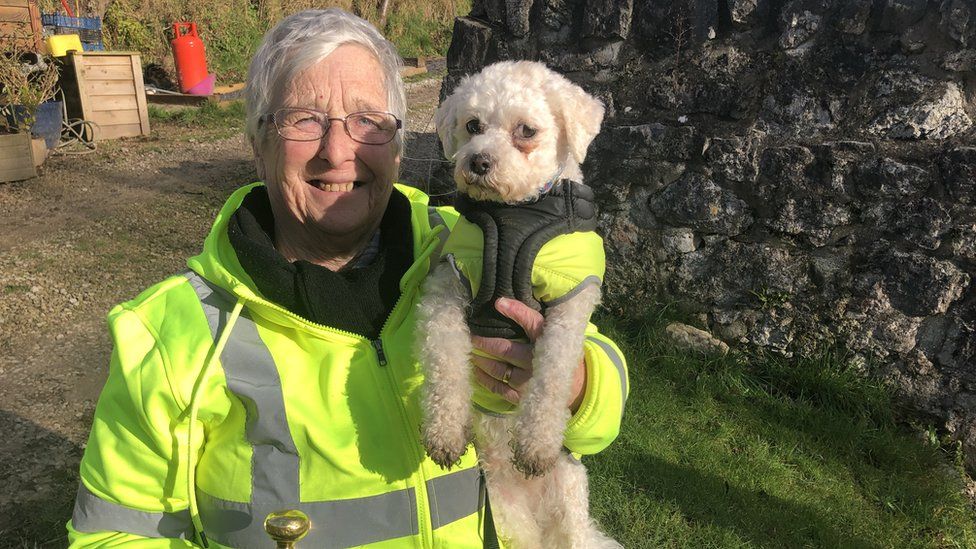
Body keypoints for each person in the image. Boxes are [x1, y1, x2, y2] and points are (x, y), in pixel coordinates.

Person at [67, 8, 628, 548]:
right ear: (258, 146)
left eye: (367, 122)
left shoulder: (466, 246)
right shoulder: (167, 336)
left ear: (400, 143)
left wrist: (579, 388)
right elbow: (114, 535)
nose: (338, 152)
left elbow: (597, 409)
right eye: (304, 120)